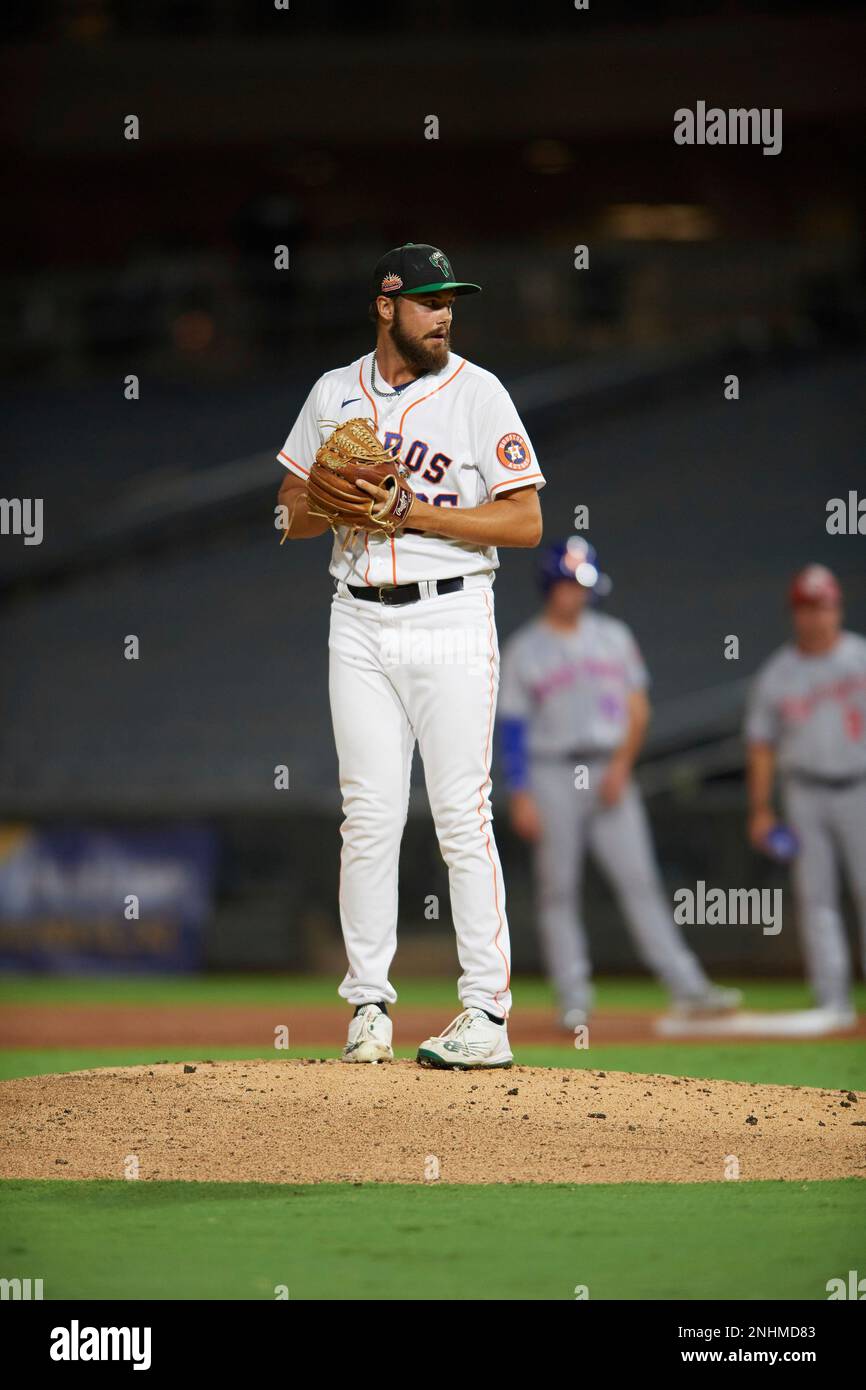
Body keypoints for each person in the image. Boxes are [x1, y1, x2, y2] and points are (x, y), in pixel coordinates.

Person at [277, 243, 544, 1068]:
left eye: (451, 302)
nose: (445, 316)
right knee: (369, 818)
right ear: (386, 305)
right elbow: (288, 510)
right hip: (355, 621)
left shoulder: (479, 393)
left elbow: (525, 521)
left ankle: (487, 1019)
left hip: (452, 615)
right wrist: (329, 503)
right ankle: (367, 1008)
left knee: (463, 815)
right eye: (429, 302)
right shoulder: (332, 393)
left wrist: (414, 513)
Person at [498, 537, 740, 1029]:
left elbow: (638, 711)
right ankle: (573, 1000)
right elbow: (513, 728)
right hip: (552, 773)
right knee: (557, 890)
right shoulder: (525, 648)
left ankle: (689, 989)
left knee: (640, 883)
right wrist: (520, 791)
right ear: (551, 585)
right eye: (569, 584)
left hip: (610, 767)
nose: (577, 595)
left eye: (583, 585)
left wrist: (623, 767)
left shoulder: (614, 636)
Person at [745, 563, 866, 1029]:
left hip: (859, 787)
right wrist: (760, 809)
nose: (816, 617)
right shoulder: (779, 673)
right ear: (795, 613)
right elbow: (761, 746)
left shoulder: (858, 658)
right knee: (816, 900)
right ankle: (834, 1001)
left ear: (837, 608)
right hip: (804, 794)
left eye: (823, 607)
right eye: (807, 608)